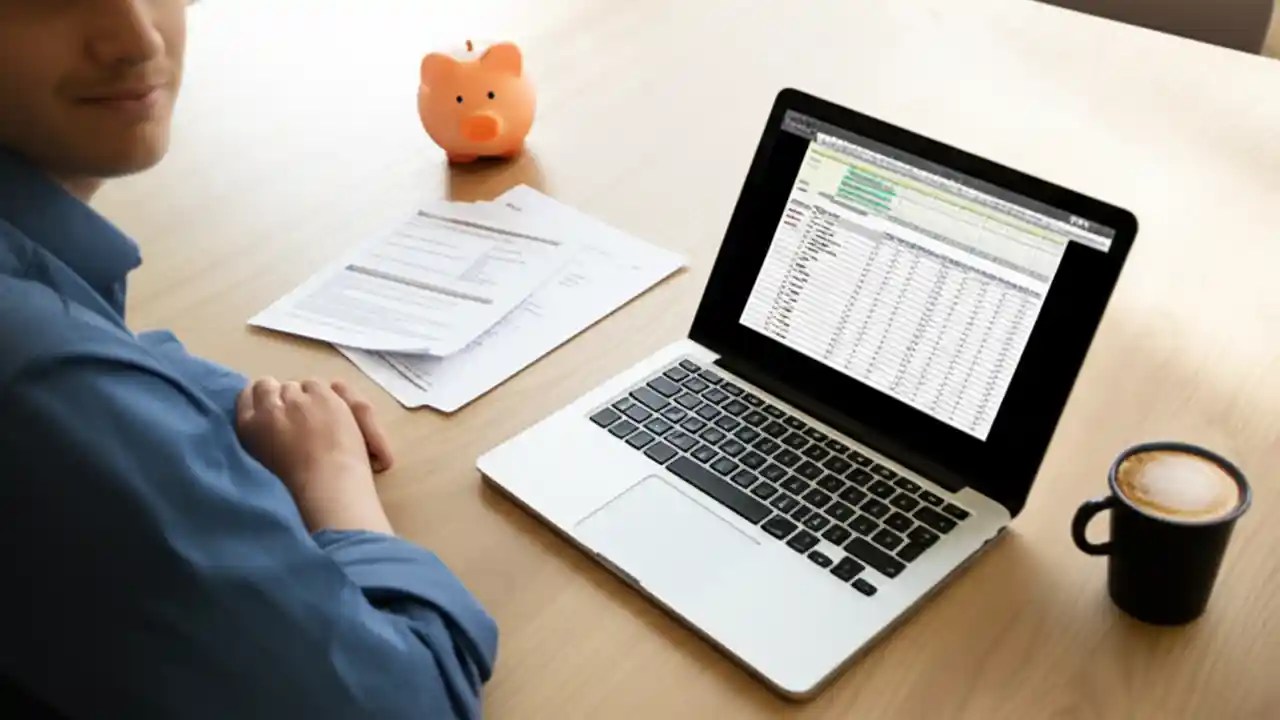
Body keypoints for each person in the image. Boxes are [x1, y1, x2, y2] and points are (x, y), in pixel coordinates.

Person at [0, 2, 497, 718]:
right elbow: (408, 704)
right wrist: (335, 487)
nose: (136, 39)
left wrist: (217, 412)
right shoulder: (41, 380)